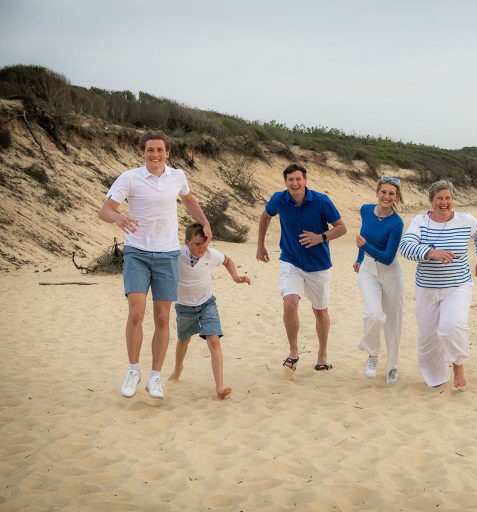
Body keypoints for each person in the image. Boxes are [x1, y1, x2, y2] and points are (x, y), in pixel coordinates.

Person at [98, 130, 212, 400]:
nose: (155, 155)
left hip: (167, 254)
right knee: (136, 314)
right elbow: (104, 211)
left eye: (160, 150)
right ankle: (133, 371)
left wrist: (204, 222)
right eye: (150, 150)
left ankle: (155, 377)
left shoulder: (177, 177)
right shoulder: (130, 178)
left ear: (167, 153)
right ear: (142, 152)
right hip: (137, 252)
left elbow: (188, 199)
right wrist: (119, 219)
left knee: (162, 317)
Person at [256, 164, 347, 372]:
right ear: (285, 182)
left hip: (318, 264)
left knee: (320, 311)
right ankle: (293, 352)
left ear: (305, 181)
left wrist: (320, 237)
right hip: (291, 261)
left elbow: (342, 228)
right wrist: (260, 245)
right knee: (289, 304)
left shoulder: (322, 201)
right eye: (290, 180)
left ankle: (322, 355)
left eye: (298, 179)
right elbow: (265, 216)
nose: (295, 183)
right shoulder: (279, 199)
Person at [399, 180, 477, 388]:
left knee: (451, 327)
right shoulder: (420, 221)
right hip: (426, 288)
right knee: (428, 337)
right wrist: (431, 252)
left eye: (447, 198)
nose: (444, 202)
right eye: (439, 198)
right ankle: (436, 379)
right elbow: (405, 247)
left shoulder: (465, 220)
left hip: (457, 286)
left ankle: (458, 366)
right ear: (431, 201)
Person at [168, 223, 251, 399]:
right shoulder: (176, 254)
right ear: (187, 242)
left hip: (207, 304)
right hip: (184, 307)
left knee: (214, 342)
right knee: (183, 341)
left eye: (204, 244)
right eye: (197, 244)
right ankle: (178, 368)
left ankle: (219, 386)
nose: (202, 248)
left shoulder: (211, 254)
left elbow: (227, 261)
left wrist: (235, 277)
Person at [353, 176, 405, 384]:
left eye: (391, 194)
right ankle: (373, 355)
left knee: (393, 322)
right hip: (367, 269)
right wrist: (359, 257)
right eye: (383, 192)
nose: (386, 196)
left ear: (396, 198)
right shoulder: (365, 210)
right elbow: (362, 238)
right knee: (373, 313)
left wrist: (364, 246)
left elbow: (387, 256)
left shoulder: (396, 223)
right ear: (377, 192)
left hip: (390, 272)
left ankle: (392, 367)